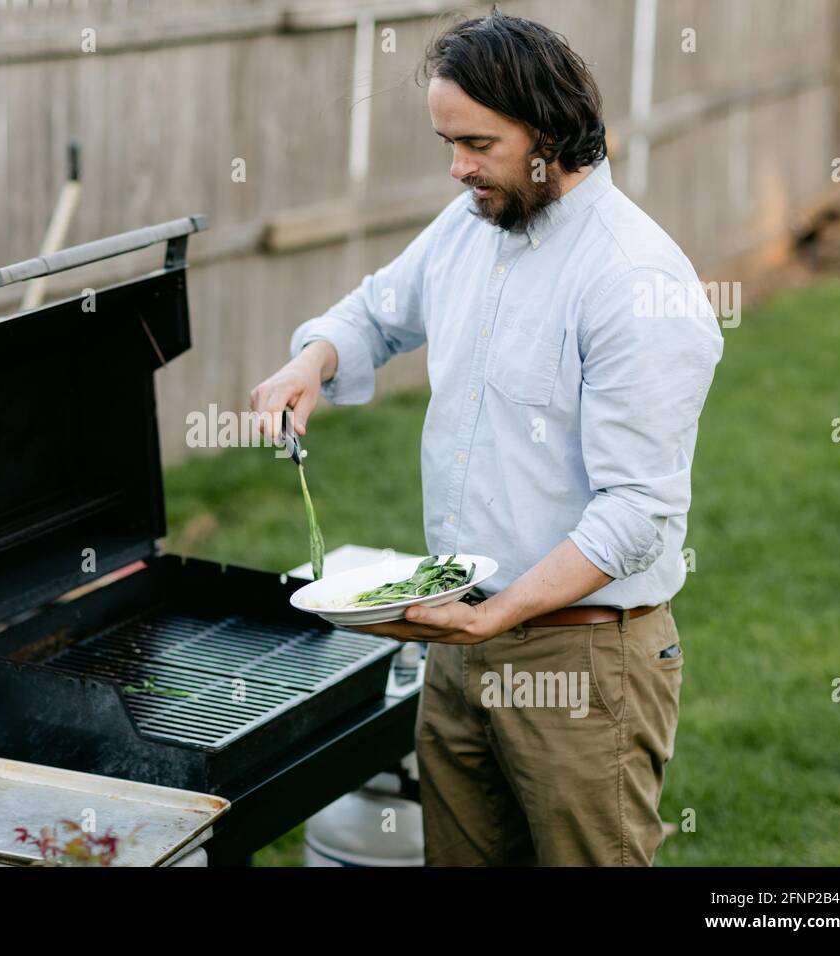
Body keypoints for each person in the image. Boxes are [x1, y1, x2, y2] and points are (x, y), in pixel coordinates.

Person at [248, 11, 724, 866]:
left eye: (476, 142)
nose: (458, 167)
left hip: (584, 658)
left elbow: (637, 512)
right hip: (462, 642)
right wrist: (311, 364)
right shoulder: (475, 222)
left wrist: (497, 615)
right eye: (447, 142)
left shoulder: (635, 282)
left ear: (547, 131)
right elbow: (379, 311)